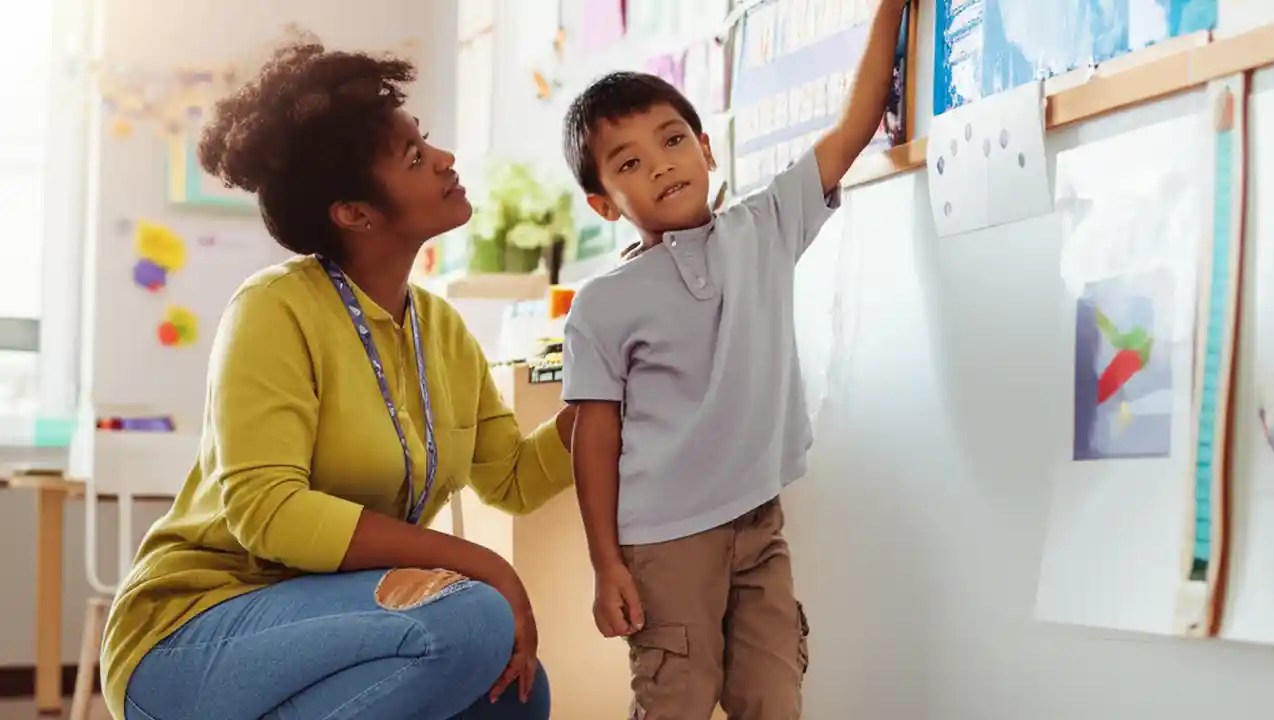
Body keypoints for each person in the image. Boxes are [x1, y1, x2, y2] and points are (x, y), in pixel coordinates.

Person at [100, 38, 575, 720]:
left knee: (517, 694)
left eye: (427, 143)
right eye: (415, 157)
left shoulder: (439, 329)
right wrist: (482, 565)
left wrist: (609, 389)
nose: (444, 160)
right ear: (354, 212)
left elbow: (513, 479)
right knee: (473, 621)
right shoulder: (275, 309)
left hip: (335, 630)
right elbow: (269, 510)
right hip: (192, 633)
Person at [559, 1, 908, 718]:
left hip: (758, 523)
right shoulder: (603, 305)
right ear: (603, 203)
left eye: (673, 140)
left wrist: (892, 8)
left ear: (708, 149)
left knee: (773, 695)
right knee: (677, 701)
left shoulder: (766, 226)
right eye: (630, 162)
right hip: (665, 543)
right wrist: (606, 564)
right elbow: (591, 434)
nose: (662, 166)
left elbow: (855, 124)